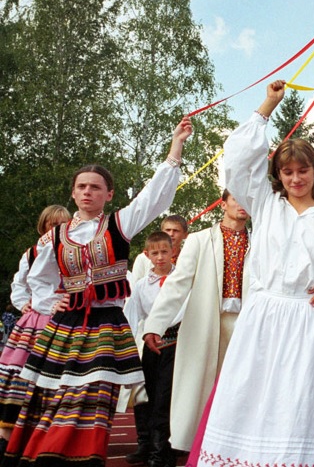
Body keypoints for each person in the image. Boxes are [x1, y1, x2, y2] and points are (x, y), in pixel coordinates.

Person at [184, 79, 314, 466]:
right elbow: (238, 161)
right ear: (278, 175)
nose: (295, 179)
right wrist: (267, 106)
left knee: (303, 404)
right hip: (264, 319)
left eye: (302, 170)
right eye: (287, 172)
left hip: (311, 323)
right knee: (253, 400)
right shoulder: (266, 205)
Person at [2, 117, 192, 467]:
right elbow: (34, 276)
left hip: (105, 323)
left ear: (109, 194)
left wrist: (175, 148)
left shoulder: (118, 225)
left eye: (95, 187)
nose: (87, 192)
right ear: (73, 192)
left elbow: (153, 197)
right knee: (55, 396)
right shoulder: (56, 237)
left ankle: (85, 459)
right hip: (65, 325)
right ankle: (47, 457)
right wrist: (47, 301)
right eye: (82, 186)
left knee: (94, 396)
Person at [142, 190, 249, 453]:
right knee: (200, 390)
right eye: (236, 198)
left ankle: (236, 449)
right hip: (206, 324)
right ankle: (200, 448)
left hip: (248, 326)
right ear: (223, 204)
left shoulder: (262, 240)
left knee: (242, 390)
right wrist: (155, 324)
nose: (242, 204)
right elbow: (177, 285)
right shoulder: (201, 240)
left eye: (248, 197)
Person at [0, 205, 70, 454]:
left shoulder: (74, 253)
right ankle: (8, 438)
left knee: (56, 381)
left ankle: (47, 439)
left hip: (63, 322)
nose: (58, 229)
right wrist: (23, 302)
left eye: (63, 224)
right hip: (33, 324)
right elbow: (19, 284)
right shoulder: (31, 253)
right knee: (18, 376)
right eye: (53, 225)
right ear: (44, 227)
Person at [125, 214, 189, 466]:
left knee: (166, 397)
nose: (161, 257)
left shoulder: (182, 279)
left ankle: (162, 452)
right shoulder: (142, 285)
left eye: (165, 252)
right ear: (147, 255)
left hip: (176, 344)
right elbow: (133, 315)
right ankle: (147, 445)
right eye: (156, 253)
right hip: (150, 345)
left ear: (173, 251)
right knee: (146, 395)